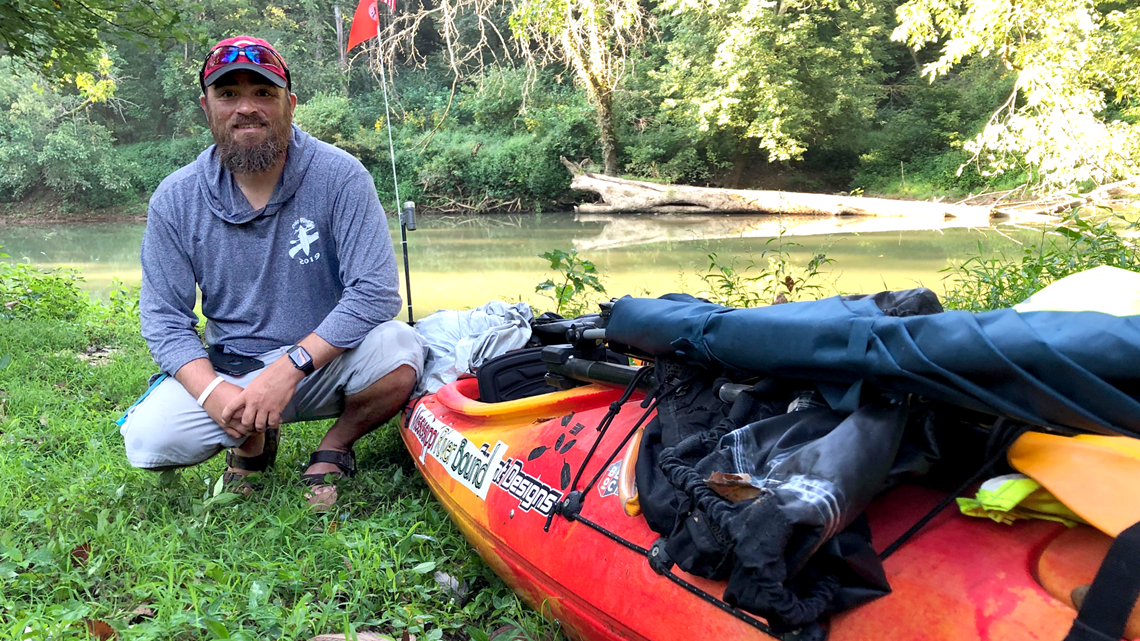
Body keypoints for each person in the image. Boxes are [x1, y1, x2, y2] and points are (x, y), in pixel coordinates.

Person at [119, 36, 424, 508]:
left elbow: (376, 292)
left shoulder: (341, 176)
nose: (247, 108)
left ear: (290, 104)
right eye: (228, 94)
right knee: (148, 441)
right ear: (207, 106)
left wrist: (290, 368)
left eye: (264, 93)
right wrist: (215, 392)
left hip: (324, 364)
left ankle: (336, 445)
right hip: (235, 371)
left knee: (401, 348)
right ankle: (251, 443)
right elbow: (164, 320)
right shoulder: (175, 198)